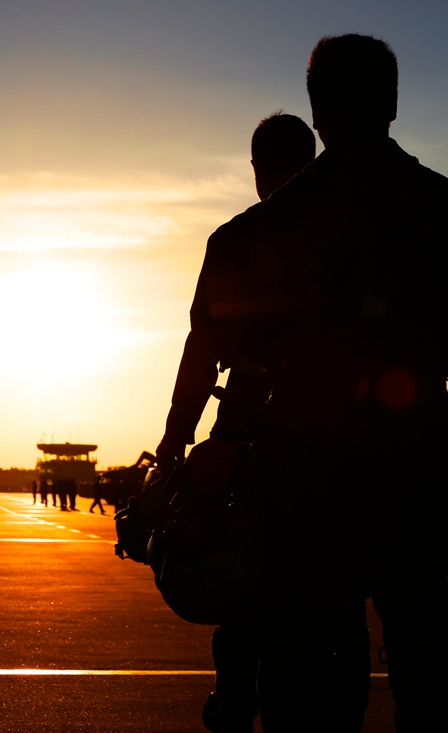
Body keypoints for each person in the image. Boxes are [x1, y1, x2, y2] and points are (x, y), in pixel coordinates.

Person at [189, 34, 448, 732]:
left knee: (307, 640)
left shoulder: (265, 227)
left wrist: (213, 444)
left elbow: (237, 352)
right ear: (391, 103)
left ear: (316, 110)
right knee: (421, 630)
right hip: (412, 450)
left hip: (299, 458)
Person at [156, 111, 317, 733]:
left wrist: (178, 437)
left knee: (243, 589)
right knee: (325, 600)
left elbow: (201, 349)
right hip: (340, 441)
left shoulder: (235, 241)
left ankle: (234, 704)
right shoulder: (350, 236)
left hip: (249, 440)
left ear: (256, 170)